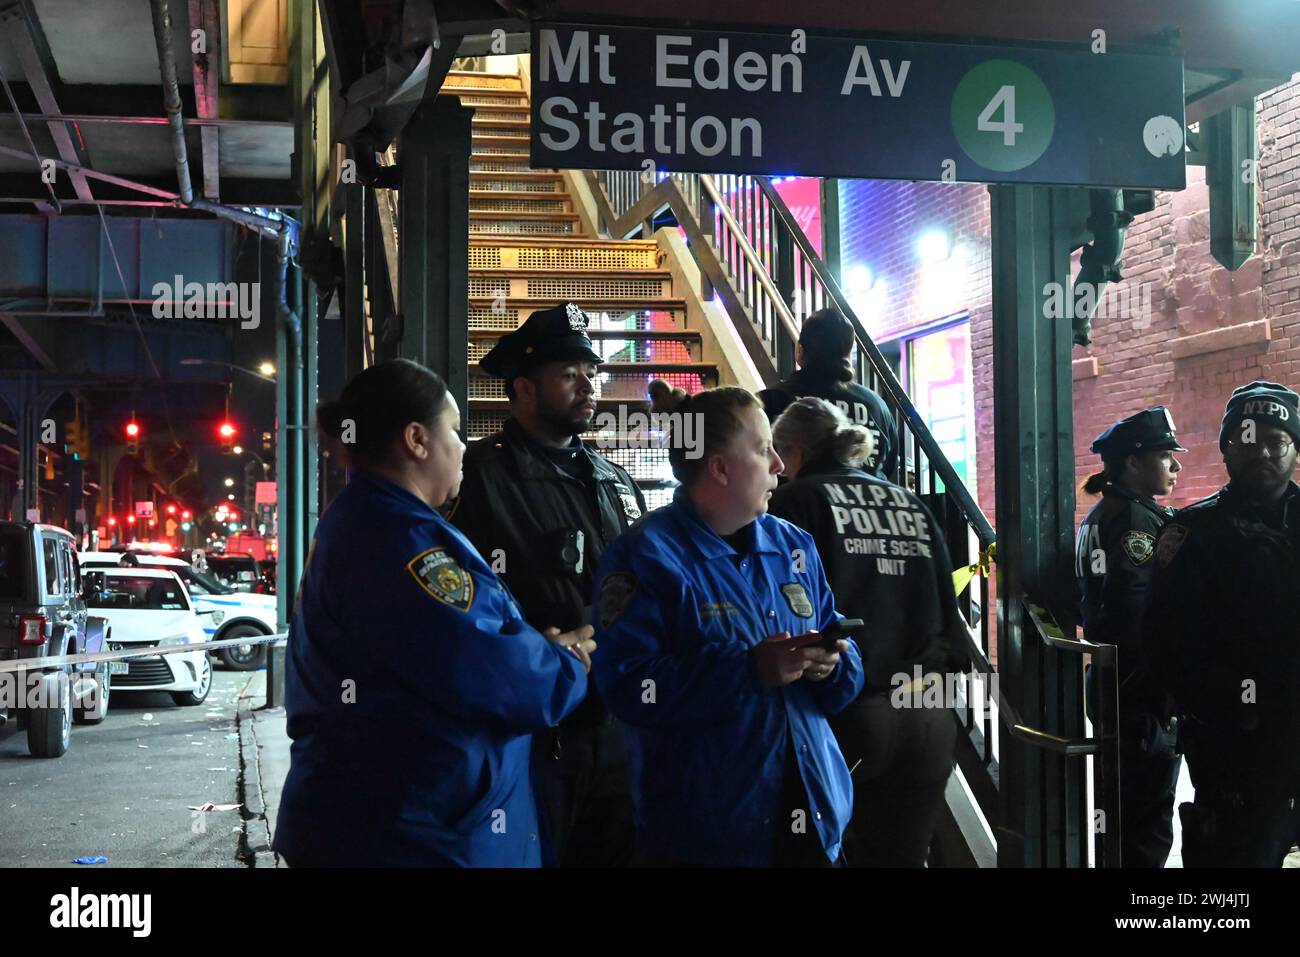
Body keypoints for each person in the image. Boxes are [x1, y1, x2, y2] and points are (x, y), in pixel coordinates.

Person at [273, 359, 593, 867]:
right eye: (455, 431)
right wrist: (566, 664)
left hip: (403, 825)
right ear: (418, 440)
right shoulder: (401, 543)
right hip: (413, 838)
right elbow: (489, 670)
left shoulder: (374, 522)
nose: (463, 447)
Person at [591, 384, 864, 867]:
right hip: (709, 835)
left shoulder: (793, 546)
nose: (780, 464)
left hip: (815, 822)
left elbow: (838, 650)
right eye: (763, 450)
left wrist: (831, 664)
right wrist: (748, 670)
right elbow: (629, 686)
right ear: (719, 467)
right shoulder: (646, 557)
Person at [447, 302, 642, 867]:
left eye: (592, 374)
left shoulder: (612, 478)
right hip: (535, 734)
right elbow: (459, 610)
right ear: (524, 389)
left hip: (615, 725)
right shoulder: (478, 478)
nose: (588, 386)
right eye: (569, 374)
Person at [768, 397, 965, 866]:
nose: (774, 468)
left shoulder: (795, 502)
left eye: (777, 455)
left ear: (795, 450)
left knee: (812, 852)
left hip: (851, 715)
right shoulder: (909, 502)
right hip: (929, 712)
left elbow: (779, 608)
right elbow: (946, 604)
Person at [1145, 381, 1300, 867]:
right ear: (1226, 451)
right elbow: (1166, 643)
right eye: (1247, 440)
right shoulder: (1193, 533)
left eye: (1277, 441)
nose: (1264, 453)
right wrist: (1236, 703)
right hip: (1238, 749)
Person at [1074, 407, 1184, 868]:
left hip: (1115, 685)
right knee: (1145, 824)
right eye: (1165, 456)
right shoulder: (1137, 522)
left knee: (1118, 819)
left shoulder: (1103, 514)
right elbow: (1136, 612)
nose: (1176, 467)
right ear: (1134, 463)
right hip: (1139, 691)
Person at [759, 307, 898, 479]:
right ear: (848, 353)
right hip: (869, 504)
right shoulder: (878, 408)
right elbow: (889, 472)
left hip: (794, 504)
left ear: (800, 351)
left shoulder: (770, 401)